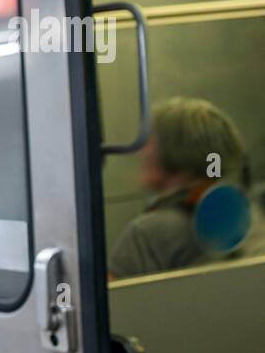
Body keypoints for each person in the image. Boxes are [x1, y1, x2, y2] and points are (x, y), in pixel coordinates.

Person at [108, 96, 265, 280]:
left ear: (175, 151)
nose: (140, 152)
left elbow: (107, 304)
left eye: (149, 141)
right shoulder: (251, 215)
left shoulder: (147, 233)